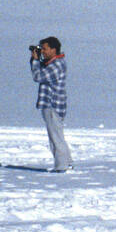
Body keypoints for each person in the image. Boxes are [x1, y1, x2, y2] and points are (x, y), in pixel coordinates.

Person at [30, 36, 72, 172]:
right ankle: (67, 163)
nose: (43, 51)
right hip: (50, 104)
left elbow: (38, 77)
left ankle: (62, 166)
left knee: (56, 137)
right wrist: (38, 60)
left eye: (45, 49)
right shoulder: (52, 63)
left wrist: (35, 61)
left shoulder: (57, 65)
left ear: (54, 49)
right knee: (57, 135)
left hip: (53, 104)